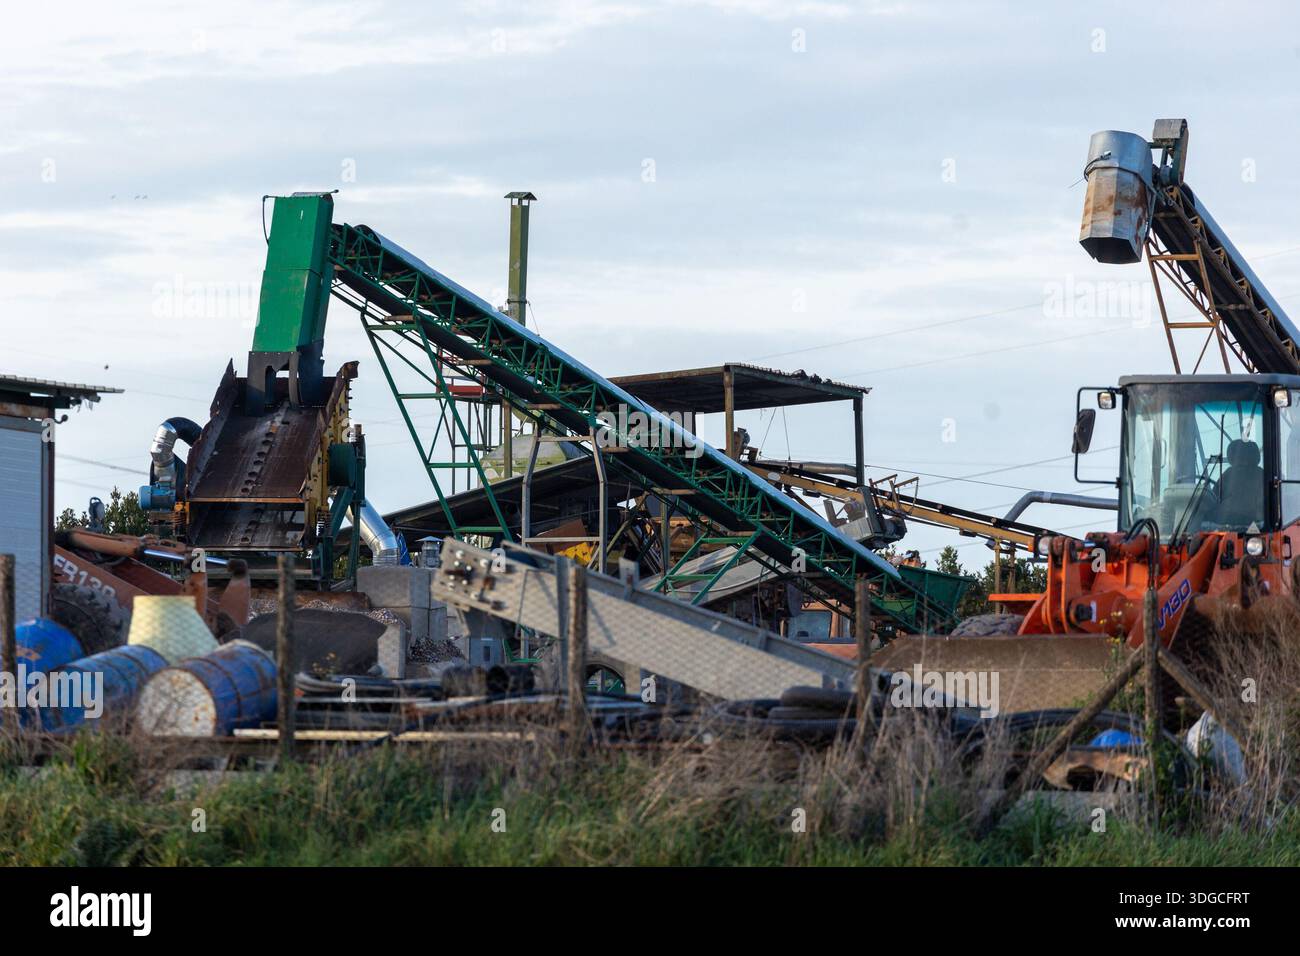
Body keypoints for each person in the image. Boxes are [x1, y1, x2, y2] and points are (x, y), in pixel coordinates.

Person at [1218, 438, 1264, 528]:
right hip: (1250, 523)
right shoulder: (1263, 474)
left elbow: (1214, 498)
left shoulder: (1230, 474)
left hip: (1241, 523)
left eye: (1235, 455)